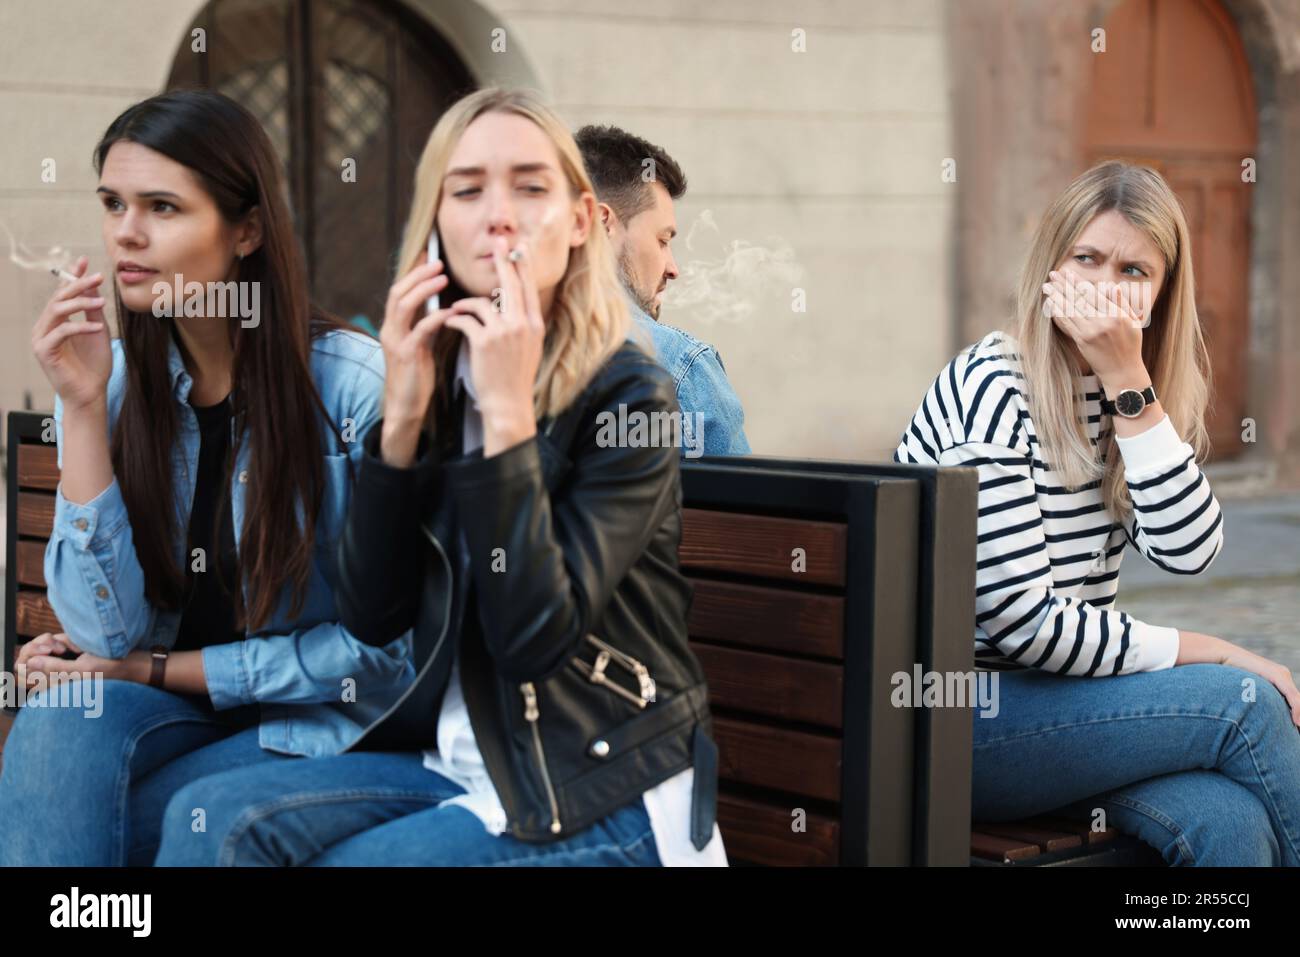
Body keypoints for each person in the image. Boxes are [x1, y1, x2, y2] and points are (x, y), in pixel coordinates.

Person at [153, 87, 727, 867]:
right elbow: (375, 612)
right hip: (456, 760)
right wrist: (401, 418)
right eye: (466, 190)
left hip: (601, 786)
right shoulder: (442, 375)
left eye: (531, 187)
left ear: (584, 221)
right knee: (212, 818)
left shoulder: (631, 394)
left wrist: (508, 422)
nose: (498, 214)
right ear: (435, 227)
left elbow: (533, 638)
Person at [0, 90, 413, 866]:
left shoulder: (353, 389)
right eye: (114, 203)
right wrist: (83, 407)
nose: (127, 231)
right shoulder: (119, 381)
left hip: (325, 720)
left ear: (247, 230)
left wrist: (151, 667)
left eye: (162, 206)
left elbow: (380, 653)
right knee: (57, 726)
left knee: (133, 815)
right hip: (174, 713)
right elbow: (103, 635)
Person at [894, 160, 1300, 866]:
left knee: (1229, 822)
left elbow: (1190, 548)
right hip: (960, 720)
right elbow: (1025, 624)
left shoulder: (1125, 399)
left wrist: (1129, 384)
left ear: (1163, 295)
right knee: (1243, 700)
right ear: (1051, 266)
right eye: (1087, 258)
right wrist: (1216, 648)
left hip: (1069, 714)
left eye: (1134, 271)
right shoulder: (994, 384)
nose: (1107, 288)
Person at [576, 124, 750, 456]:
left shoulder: (496, 351)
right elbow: (747, 507)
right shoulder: (678, 370)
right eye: (663, 240)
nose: (673, 268)